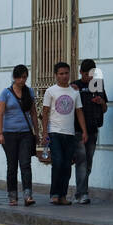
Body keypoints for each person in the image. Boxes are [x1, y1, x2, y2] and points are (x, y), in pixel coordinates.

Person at [39, 61, 86, 206]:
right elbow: (45, 112)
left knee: (67, 165)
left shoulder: (74, 92)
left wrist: (84, 131)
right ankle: (54, 194)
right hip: (55, 132)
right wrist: (45, 132)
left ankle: (63, 195)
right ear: (55, 75)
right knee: (58, 162)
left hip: (70, 133)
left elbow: (79, 112)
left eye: (66, 73)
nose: (64, 76)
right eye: (61, 74)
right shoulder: (50, 91)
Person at [0, 64, 39, 206]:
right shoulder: (6, 93)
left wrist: (36, 132)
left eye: (25, 77)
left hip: (25, 133)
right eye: (20, 77)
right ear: (14, 78)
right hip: (9, 134)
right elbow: (0, 113)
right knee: (12, 165)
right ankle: (12, 196)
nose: (23, 80)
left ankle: (28, 195)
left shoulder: (29, 92)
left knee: (26, 164)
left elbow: (33, 113)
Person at [70, 59, 107, 204]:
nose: (89, 77)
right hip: (77, 130)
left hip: (93, 129)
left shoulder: (98, 86)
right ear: (81, 73)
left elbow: (105, 109)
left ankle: (81, 190)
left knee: (88, 162)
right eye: (86, 74)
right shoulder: (74, 86)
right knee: (82, 161)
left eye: (92, 74)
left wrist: (101, 102)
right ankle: (81, 194)